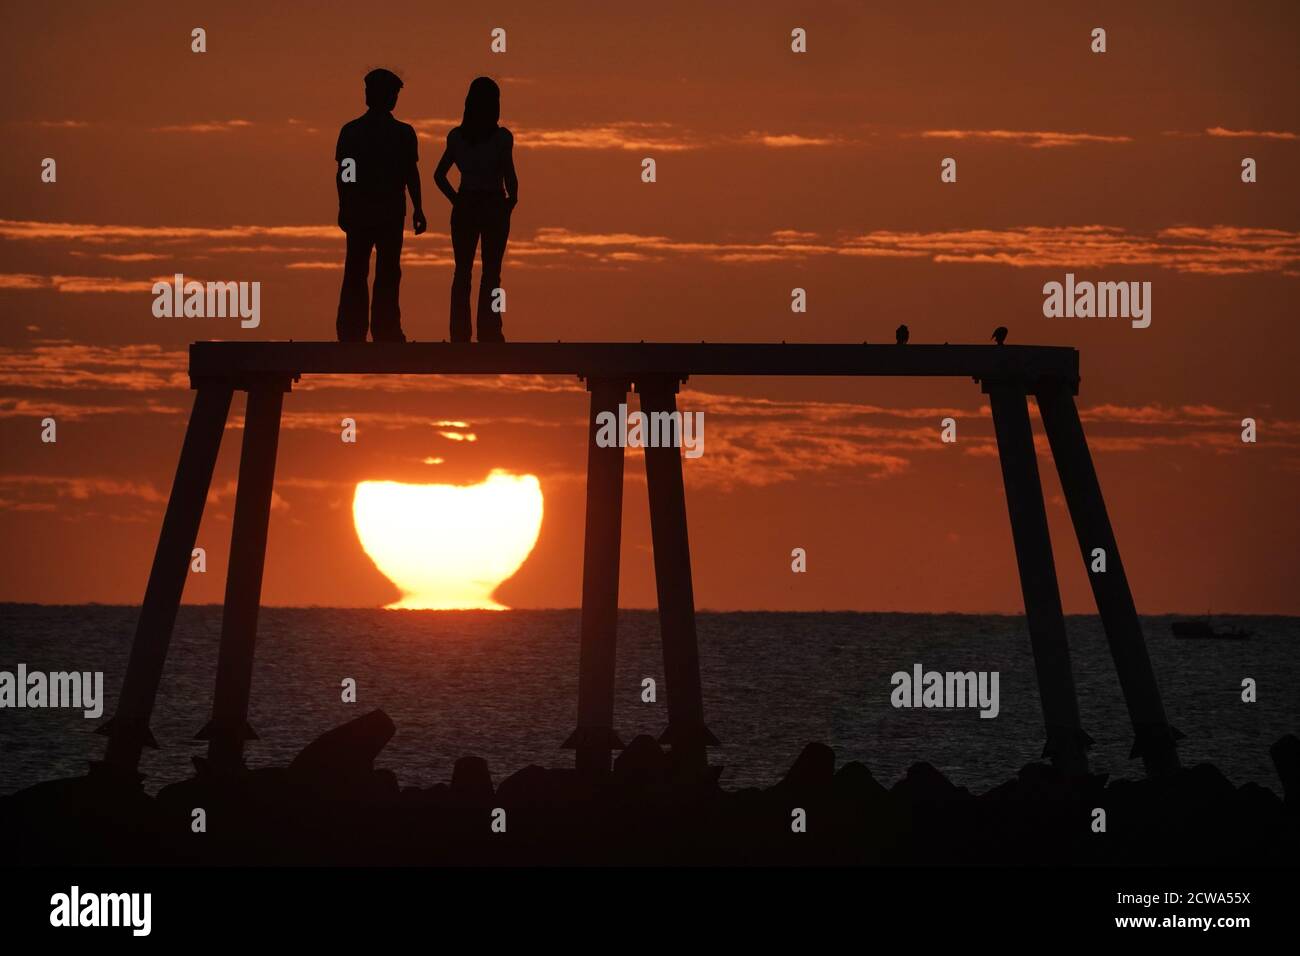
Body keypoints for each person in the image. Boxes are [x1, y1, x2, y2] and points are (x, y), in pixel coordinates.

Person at [335, 68, 426, 343]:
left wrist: (346, 204)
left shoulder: (353, 131)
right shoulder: (401, 133)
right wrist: (417, 208)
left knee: (360, 269)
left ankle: (355, 330)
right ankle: (381, 329)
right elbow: (410, 173)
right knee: (383, 269)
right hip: (383, 211)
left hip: (370, 210)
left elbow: (345, 174)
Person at [433, 76, 518, 343]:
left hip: (467, 204)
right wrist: (510, 202)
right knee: (491, 272)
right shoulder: (502, 137)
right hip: (493, 203)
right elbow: (510, 175)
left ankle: (460, 332)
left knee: (463, 271)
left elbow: (439, 175)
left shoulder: (457, 137)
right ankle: (490, 330)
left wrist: (456, 200)